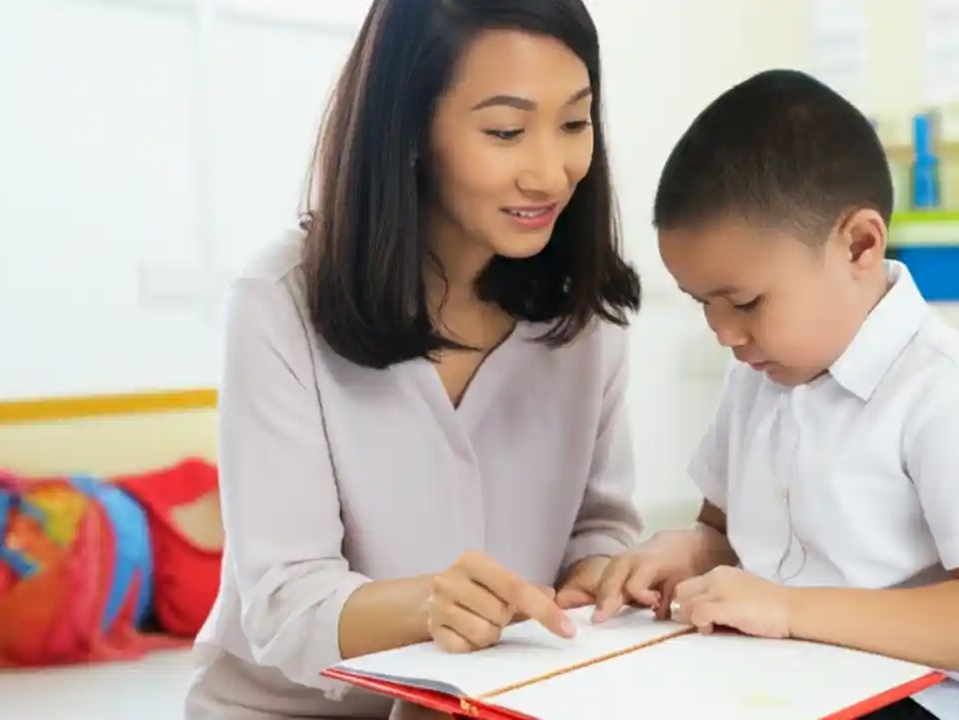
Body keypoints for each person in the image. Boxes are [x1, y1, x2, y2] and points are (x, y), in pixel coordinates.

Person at [184, 1, 644, 717]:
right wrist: (429, 604)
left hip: (495, 703)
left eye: (575, 123)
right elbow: (284, 603)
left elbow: (601, 525)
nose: (551, 173)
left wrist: (596, 576)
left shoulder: (584, 317)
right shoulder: (278, 303)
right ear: (408, 131)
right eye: (506, 131)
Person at [592, 69, 959, 719]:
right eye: (704, 304)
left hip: (918, 697)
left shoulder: (952, 393)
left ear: (859, 245)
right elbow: (721, 536)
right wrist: (681, 550)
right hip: (777, 681)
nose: (724, 332)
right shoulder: (758, 378)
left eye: (746, 301)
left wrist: (787, 608)